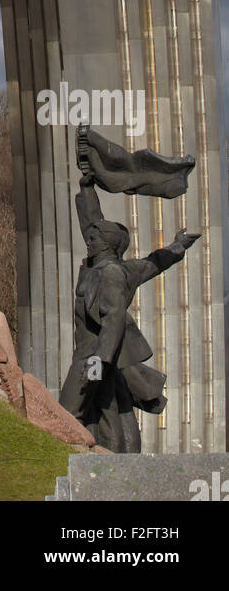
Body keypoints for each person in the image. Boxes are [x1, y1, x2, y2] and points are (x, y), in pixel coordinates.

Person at [59, 170, 199, 451]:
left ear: (108, 244)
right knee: (108, 410)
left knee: (67, 415)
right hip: (102, 357)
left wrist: (99, 360)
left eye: (95, 238)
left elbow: (113, 321)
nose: (89, 240)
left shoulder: (111, 273)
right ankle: (115, 462)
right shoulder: (108, 266)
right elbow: (153, 261)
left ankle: (76, 463)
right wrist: (87, 190)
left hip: (94, 356)